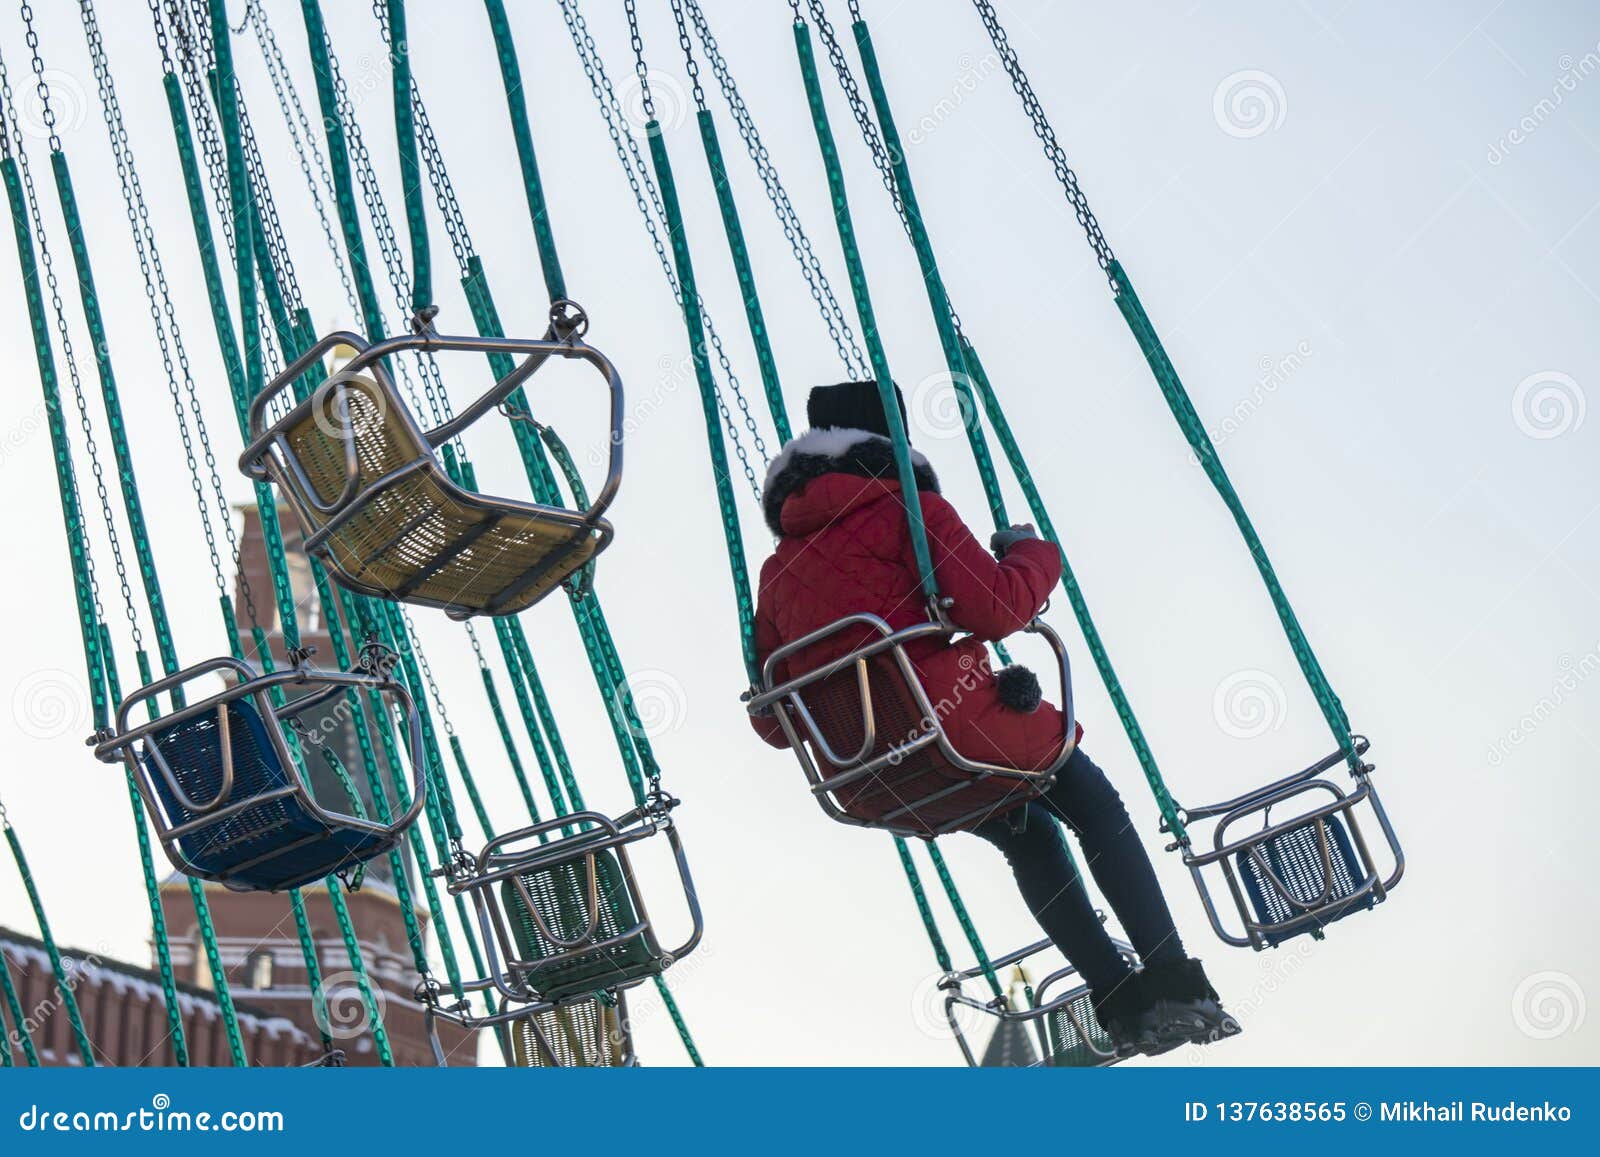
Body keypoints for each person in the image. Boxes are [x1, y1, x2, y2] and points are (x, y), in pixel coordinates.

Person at [749, 380, 1237, 1055]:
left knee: (1028, 834)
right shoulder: (910, 511)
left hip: (866, 775)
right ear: (893, 442)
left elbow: (775, 724)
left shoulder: (776, 571)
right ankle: (1172, 980)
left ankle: (1123, 1004)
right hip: (949, 731)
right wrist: (1034, 553)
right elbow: (997, 608)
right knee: (1090, 798)